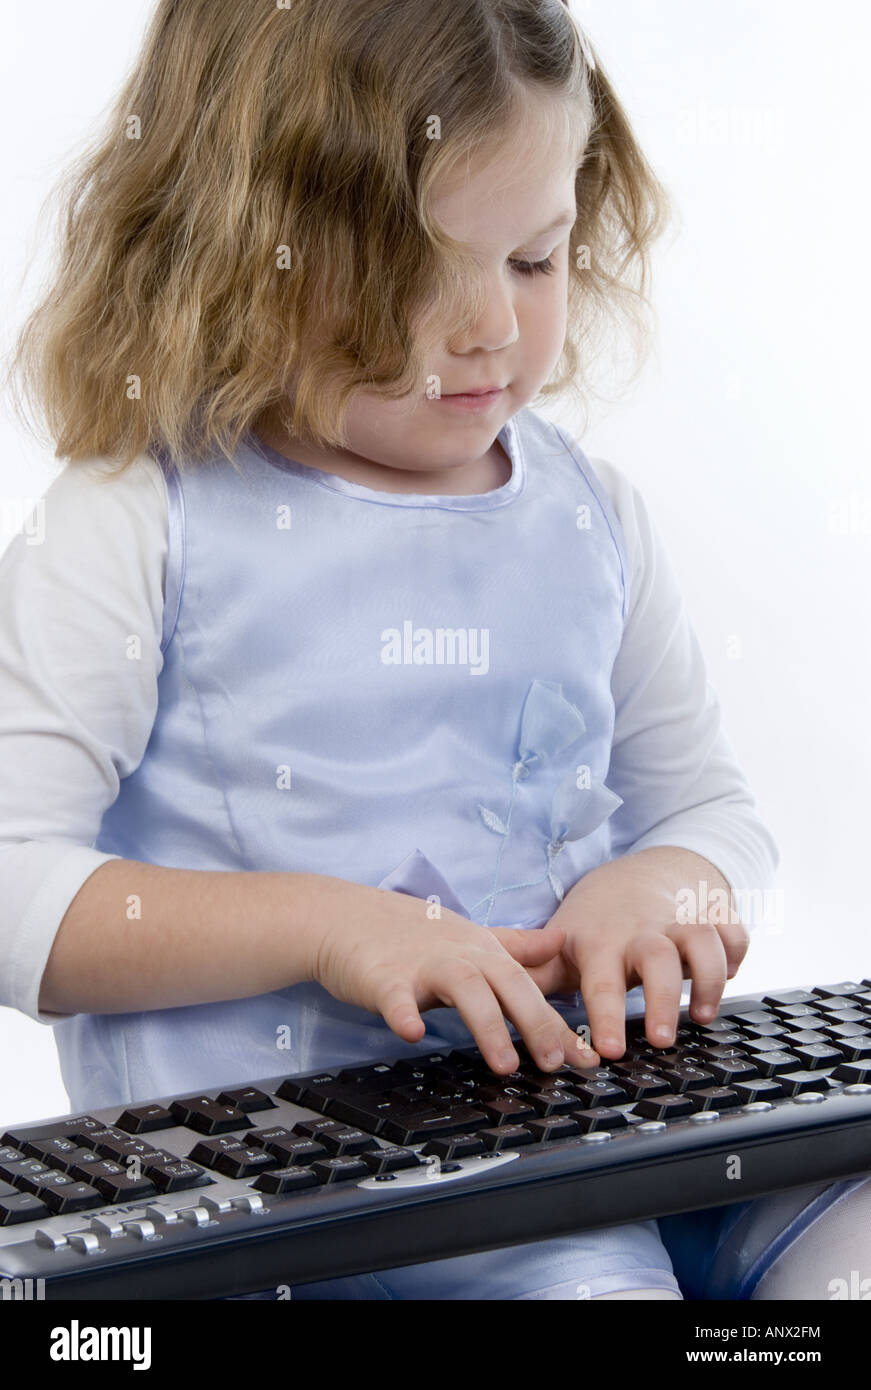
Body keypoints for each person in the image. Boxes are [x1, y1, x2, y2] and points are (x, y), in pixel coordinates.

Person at [2, 0, 868, 1300]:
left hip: (610, 1129)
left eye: (535, 260)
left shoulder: (588, 513)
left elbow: (712, 810)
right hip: (336, 1205)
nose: (490, 331)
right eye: (418, 269)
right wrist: (331, 927)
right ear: (244, 249)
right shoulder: (141, 519)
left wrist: (666, 886)